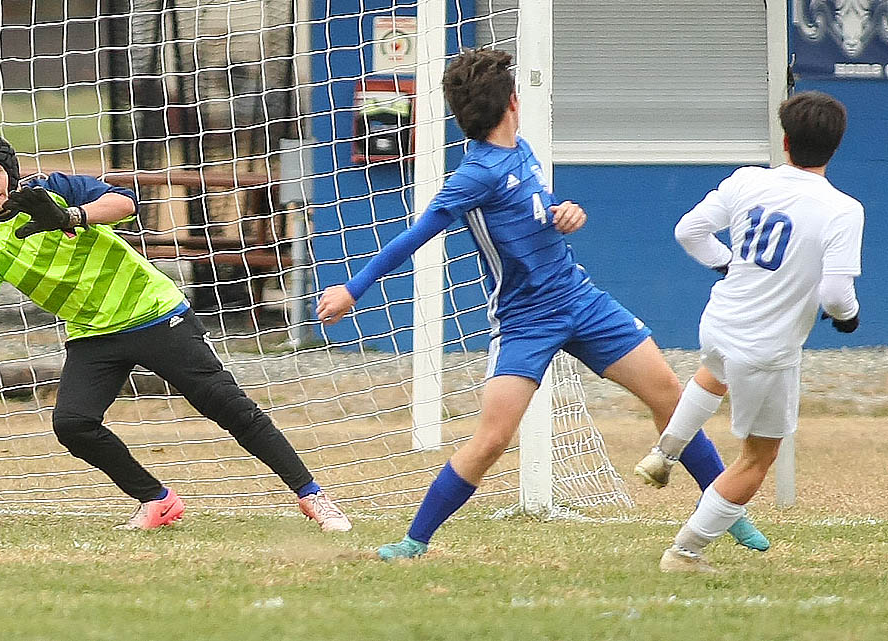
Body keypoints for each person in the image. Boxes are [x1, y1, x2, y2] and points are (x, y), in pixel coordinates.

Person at [316, 48, 767, 560]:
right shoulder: (474, 175)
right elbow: (416, 236)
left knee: (669, 394)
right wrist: (354, 288)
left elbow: (537, 212)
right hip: (525, 321)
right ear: (512, 101)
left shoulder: (523, 151)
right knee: (491, 440)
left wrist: (565, 212)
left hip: (580, 300)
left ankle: (728, 514)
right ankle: (412, 542)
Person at [0, 134, 351, 533]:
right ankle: (157, 500)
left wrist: (71, 216)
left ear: (11, 169)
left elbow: (125, 203)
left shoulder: (55, 189)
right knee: (72, 424)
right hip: (94, 335)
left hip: (153, 313)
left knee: (228, 407)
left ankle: (313, 497)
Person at [634, 91, 862, 573]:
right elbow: (838, 293)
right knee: (758, 458)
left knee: (712, 375)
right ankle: (685, 551)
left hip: (719, 324)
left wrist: (725, 263)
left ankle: (664, 454)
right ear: (836, 147)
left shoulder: (746, 181)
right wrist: (848, 318)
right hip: (767, 350)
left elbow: (688, 232)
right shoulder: (843, 209)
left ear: (785, 141)